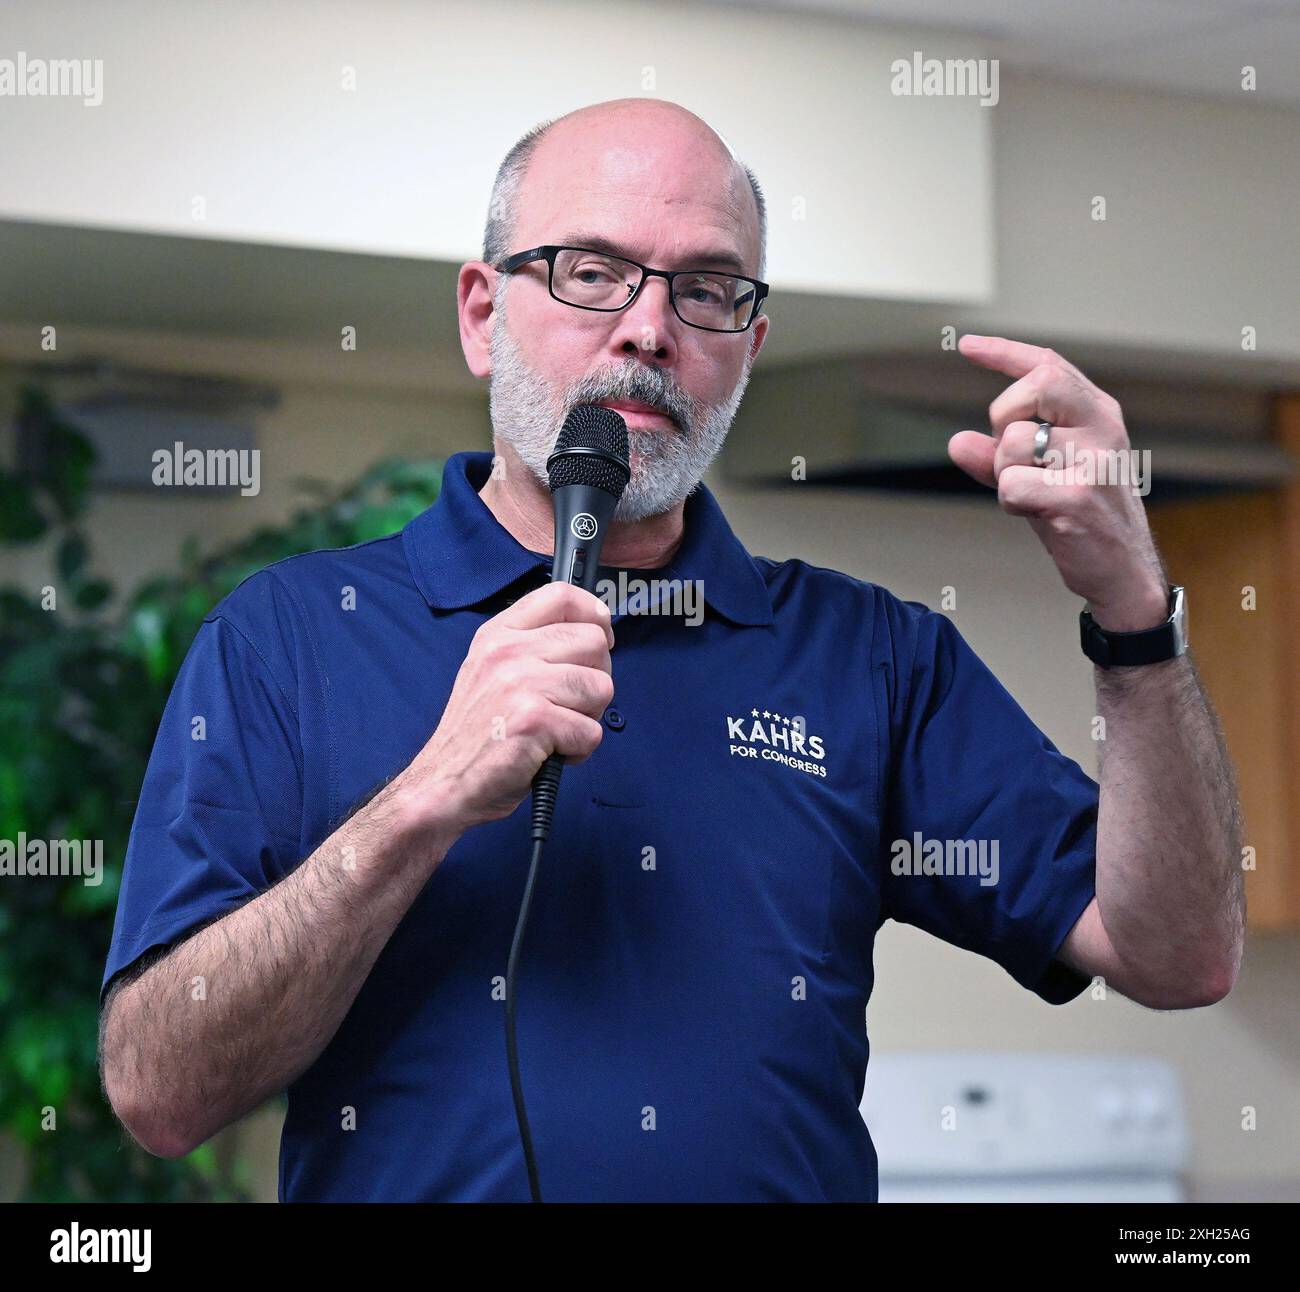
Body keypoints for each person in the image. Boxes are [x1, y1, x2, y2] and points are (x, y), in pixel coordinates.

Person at [99, 98, 1244, 1203]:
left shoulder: (873, 657)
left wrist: (1132, 610)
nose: (648, 327)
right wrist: (425, 798)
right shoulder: (289, 636)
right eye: (591, 271)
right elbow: (158, 1090)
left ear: (748, 344)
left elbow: (1174, 953)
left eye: (703, 289)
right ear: (481, 312)